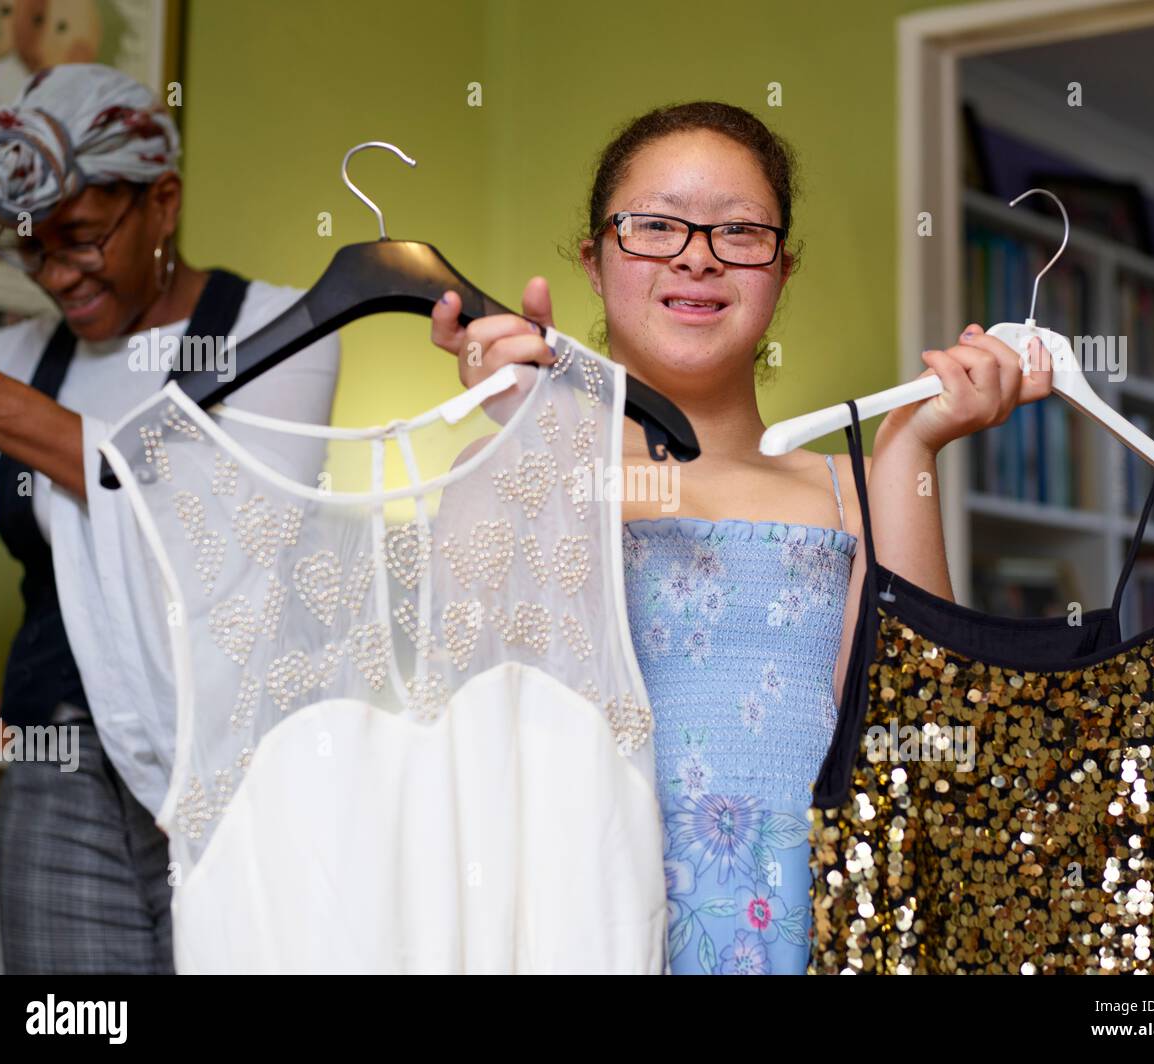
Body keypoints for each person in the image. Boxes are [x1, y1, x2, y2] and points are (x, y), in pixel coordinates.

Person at [431, 100, 1052, 974]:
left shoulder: (852, 488)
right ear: (595, 261)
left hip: (817, 925)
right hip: (585, 920)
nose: (696, 254)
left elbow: (914, 744)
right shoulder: (521, 464)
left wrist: (910, 450)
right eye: (653, 226)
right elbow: (470, 724)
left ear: (782, 268)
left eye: (740, 232)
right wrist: (537, 446)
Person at [0, 62, 339, 973]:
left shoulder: (277, 328)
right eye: (32, 250)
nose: (57, 274)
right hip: (62, 768)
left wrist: (3, 410)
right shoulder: (19, 354)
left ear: (163, 202)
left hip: (236, 766)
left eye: (84, 239)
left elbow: (213, 525)